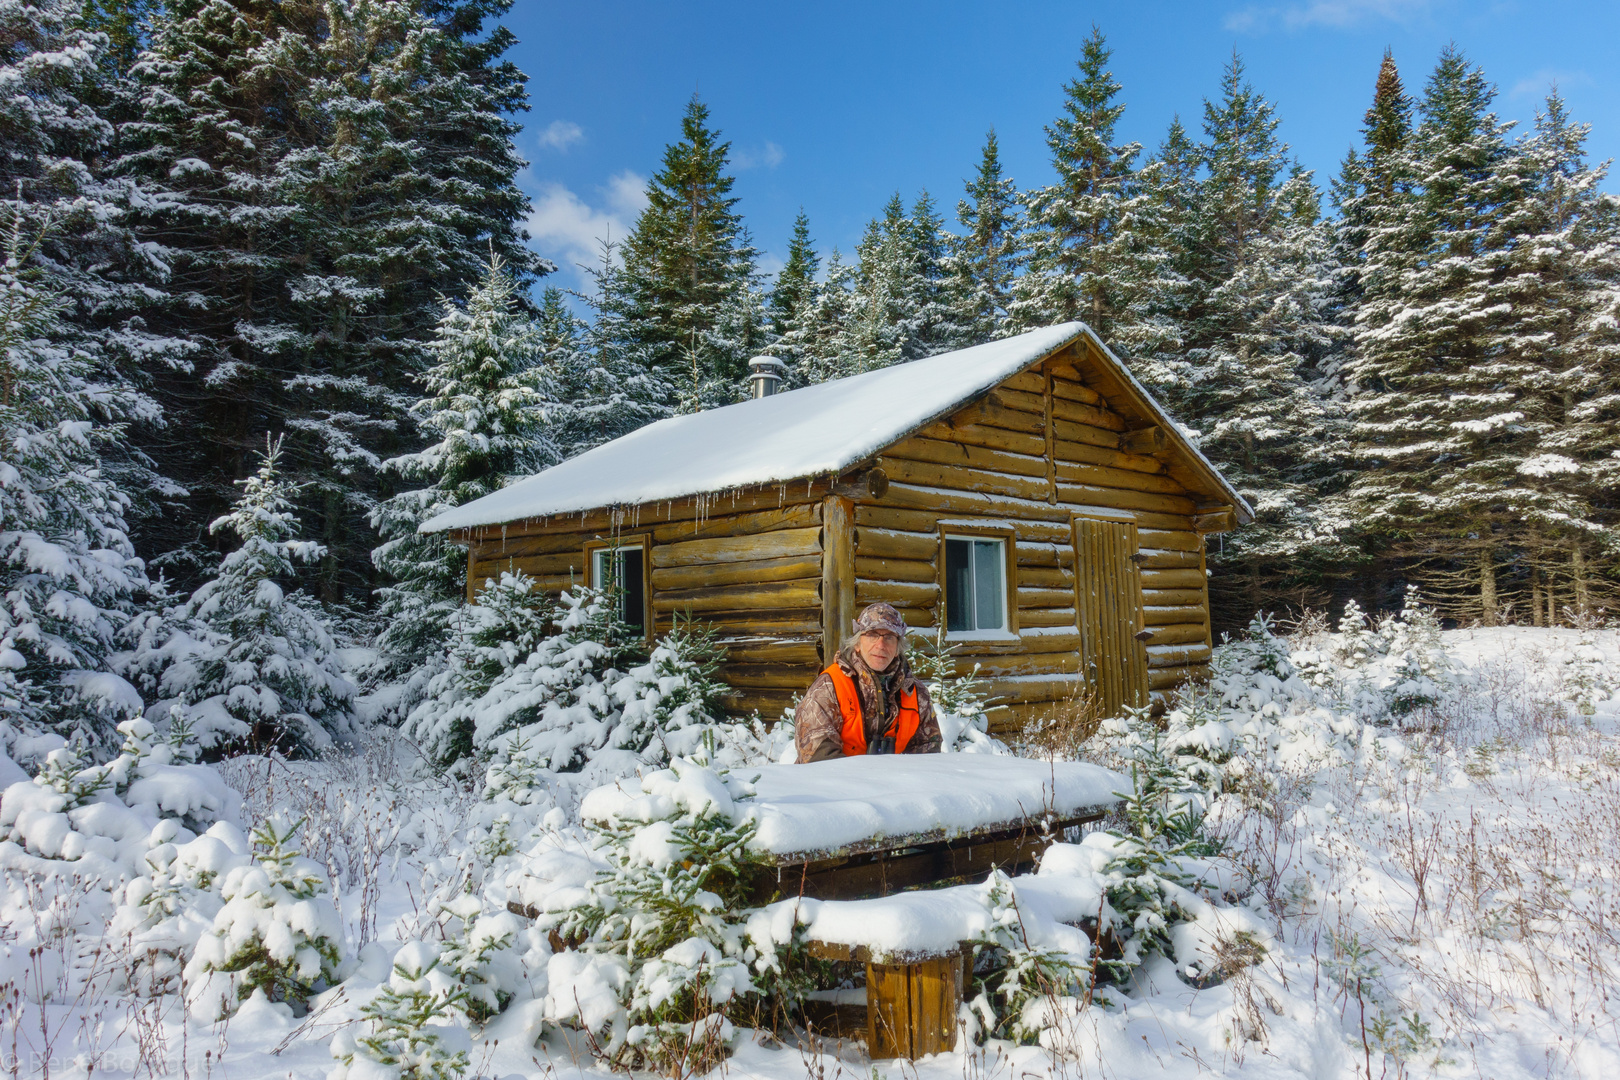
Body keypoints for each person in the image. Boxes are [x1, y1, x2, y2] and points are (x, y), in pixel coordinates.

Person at [794, 602, 942, 762]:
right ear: (857, 644)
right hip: (837, 784)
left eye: (889, 637)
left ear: (897, 648)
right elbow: (818, 758)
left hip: (897, 784)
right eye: (872, 635)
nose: (881, 645)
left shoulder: (915, 693)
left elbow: (928, 757)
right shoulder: (829, 687)